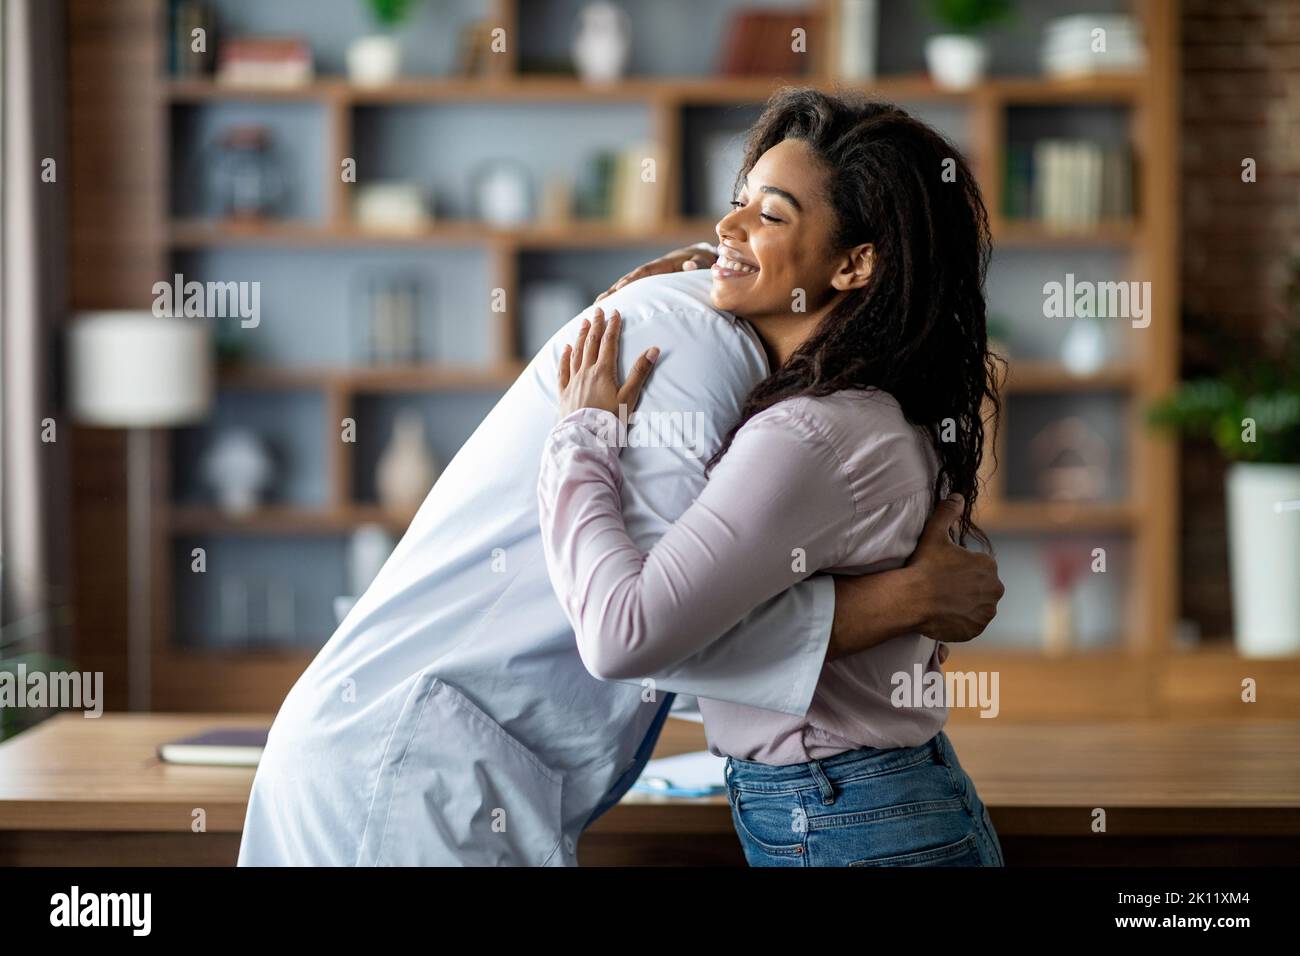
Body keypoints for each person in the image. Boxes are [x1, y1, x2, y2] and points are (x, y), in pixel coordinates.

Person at [539, 89, 1005, 866]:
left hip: (845, 812)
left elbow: (624, 634)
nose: (726, 228)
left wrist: (579, 438)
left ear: (857, 264)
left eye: (770, 213)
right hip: (865, 806)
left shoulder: (810, 436)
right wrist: (716, 263)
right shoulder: (871, 407)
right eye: (736, 202)